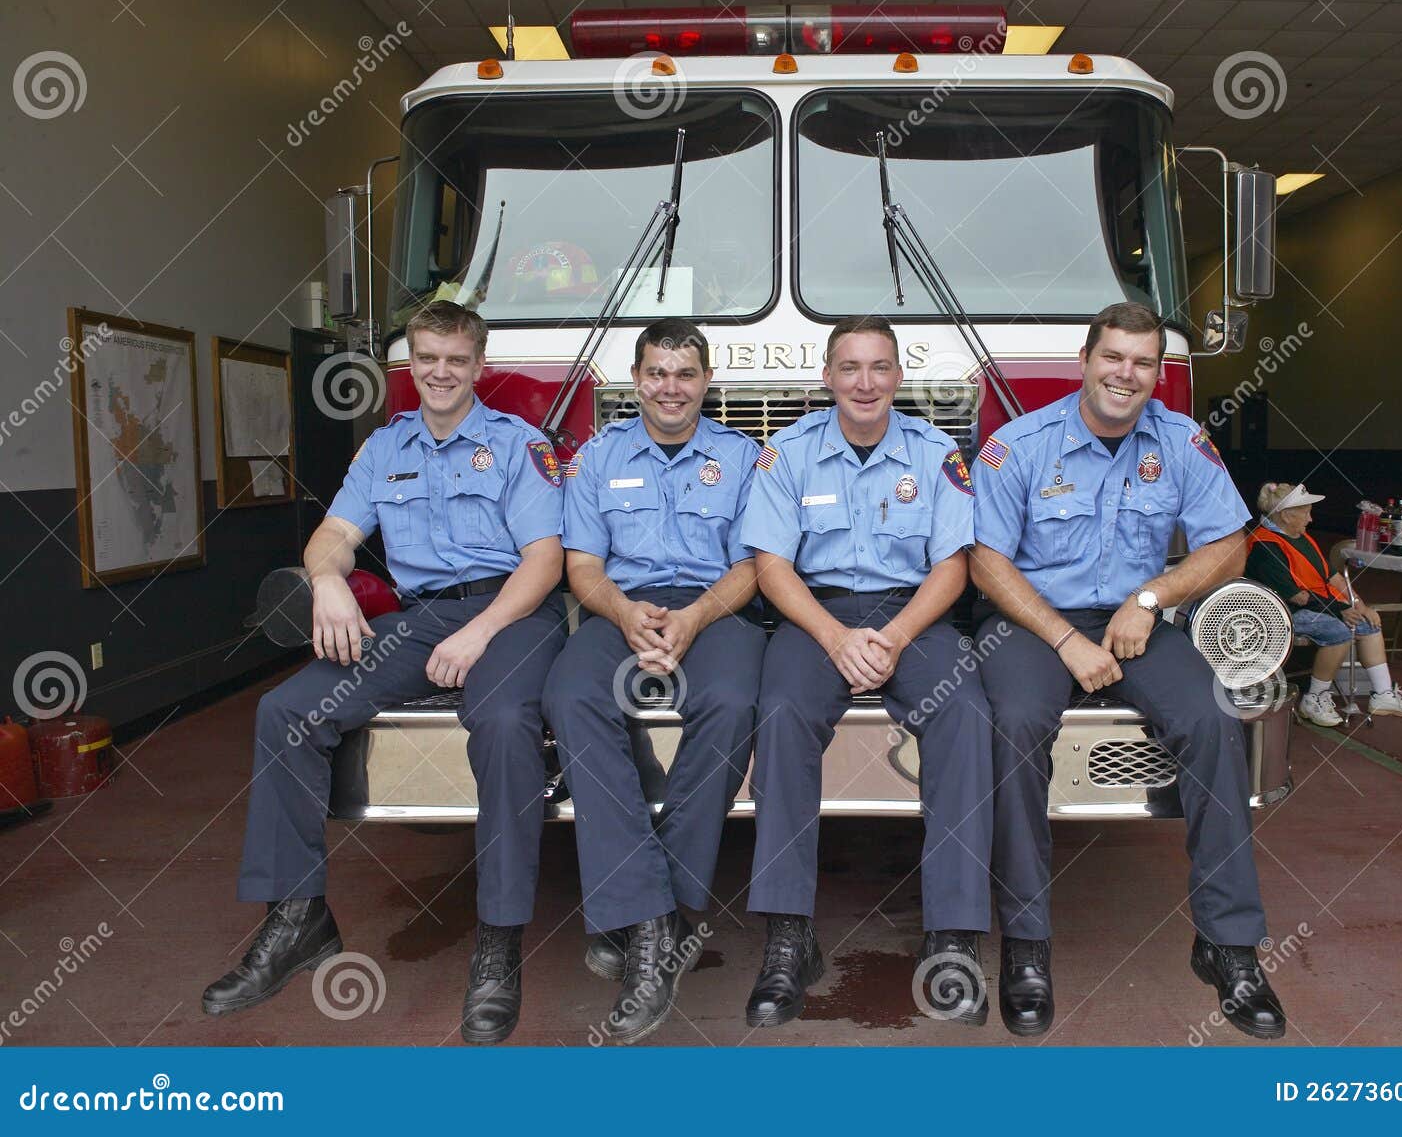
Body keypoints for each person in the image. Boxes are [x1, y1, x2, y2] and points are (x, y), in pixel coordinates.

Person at [202, 301, 568, 1046]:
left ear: (477, 366)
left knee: (501, 724)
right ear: (409, 366)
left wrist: (482, 630)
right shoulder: (382, 450)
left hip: (514, 616)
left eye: (456, 359)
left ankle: (498, 946)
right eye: (427, 357)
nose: (440, 371)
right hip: (419, 618)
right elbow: (336, 534)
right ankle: (297, 916)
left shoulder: (517, 445)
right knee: (287, 710)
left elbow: (544, 560)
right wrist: (329, 579)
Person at [970, 301, 1288, 1040]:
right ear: (1085, 359)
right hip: (1032, 622)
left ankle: (1228, 944)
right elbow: (986, 561)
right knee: (1014, 725)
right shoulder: (1019, 444)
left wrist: (1151, 598)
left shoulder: (1180, 440)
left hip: (1133, 619)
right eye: (1114, 357)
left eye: (1144, 362)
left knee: (1215, 717)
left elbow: (1228, 547)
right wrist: (1062, 638)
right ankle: (1025, 947)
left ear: (1155, 371)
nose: (1127, 374)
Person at [739, 315, 994, 1028]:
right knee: (783, 712)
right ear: (827, 377)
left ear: (898, 378)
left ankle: (954, 935)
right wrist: (833, 634)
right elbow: (771, 566)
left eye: (880, 367)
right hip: (814, 613)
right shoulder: (786, 454)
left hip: (912, 613)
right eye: (850, 367)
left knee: (966, 715)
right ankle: (789, 936)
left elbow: (954, 565)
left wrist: (895, 634)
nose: (865, 382)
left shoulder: (936, 451)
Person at [543, 318, 765, 1043]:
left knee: (734, 701)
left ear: (707, 382)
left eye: (686, 373)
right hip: (619, 611)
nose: (671, 386)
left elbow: (754, 566)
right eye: (658, 372)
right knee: (570, 695)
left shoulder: (742, 458)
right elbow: (582, 567)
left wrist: (696, 617)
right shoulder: (596, 459)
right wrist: (622, 612)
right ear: (635, 380)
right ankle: (653, 918)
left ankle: (649, 914)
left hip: (714, 611)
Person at [1246, 482, 1402, 726]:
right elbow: (1298, 597)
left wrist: (1359, 605)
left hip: (1317, 605)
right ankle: (1314, 698)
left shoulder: (1301, 537)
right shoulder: (1265, 546)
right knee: (1338, 632)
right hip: (1284, 612)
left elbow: (1334, 578)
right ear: (1286, 516)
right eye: (1306, 512)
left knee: (1367, 622)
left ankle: (1383, 695)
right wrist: (1341, 610)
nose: (1310, 519)